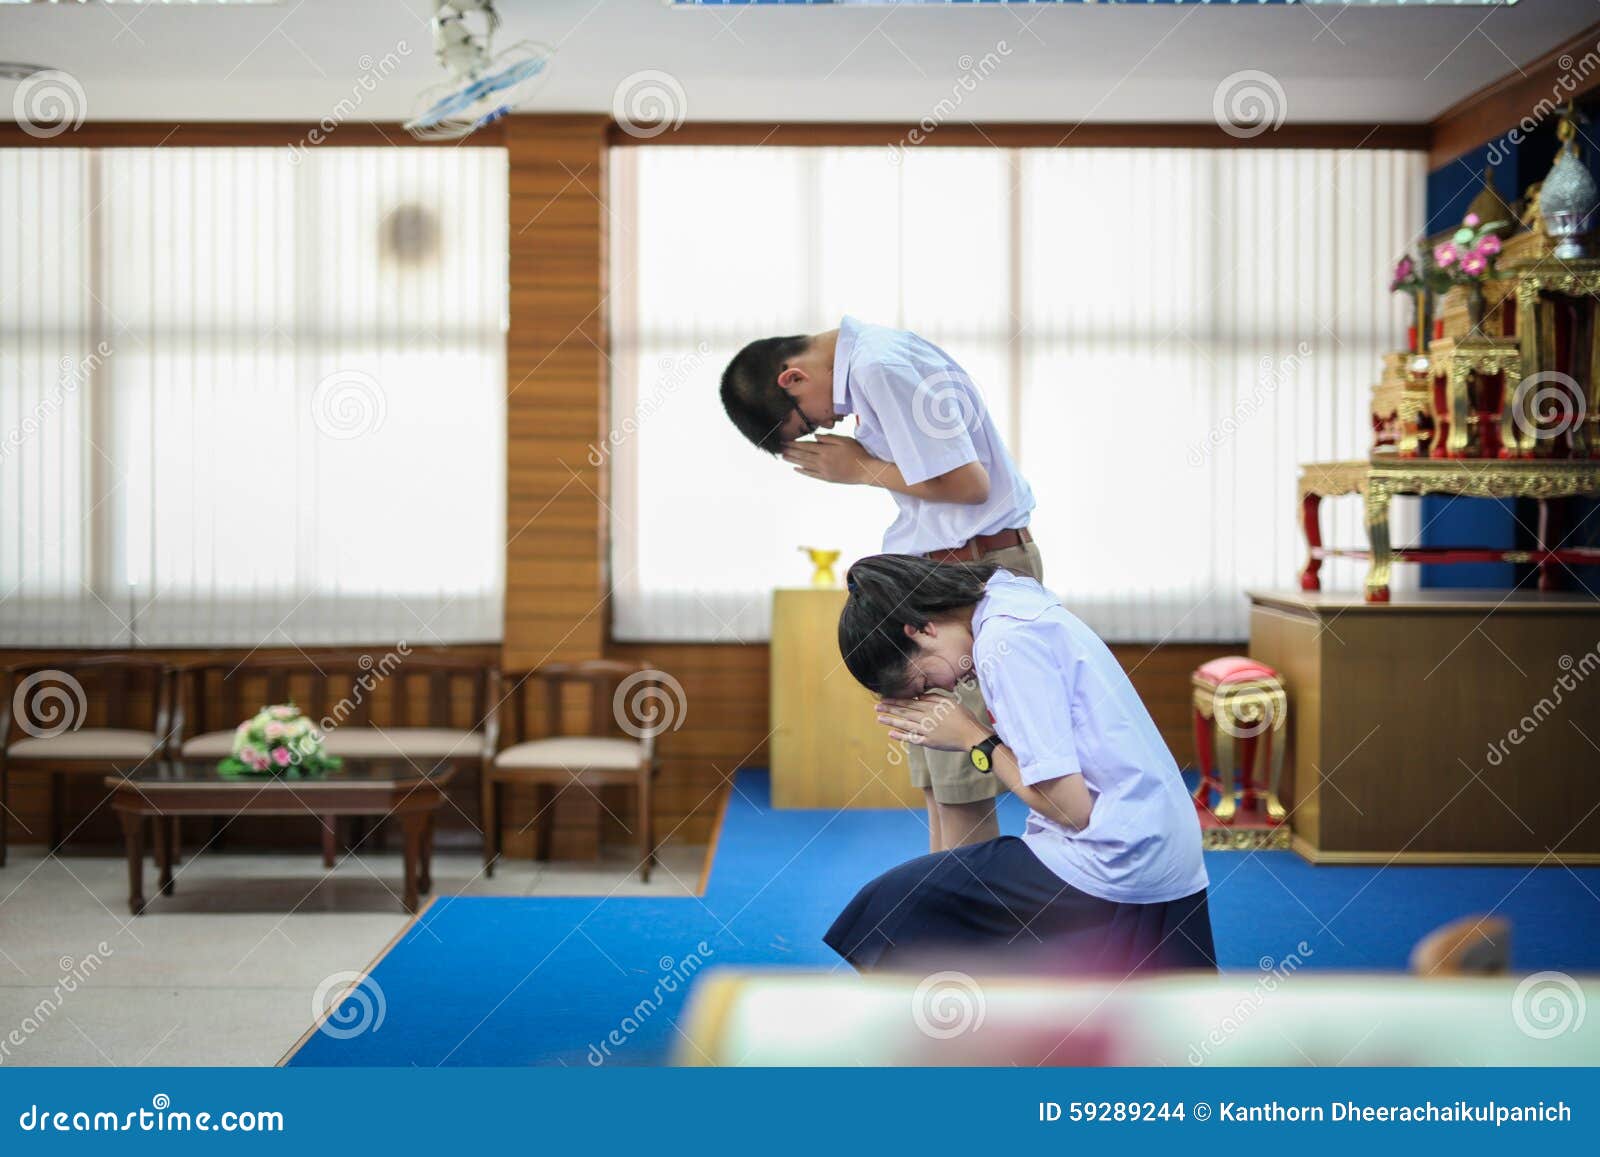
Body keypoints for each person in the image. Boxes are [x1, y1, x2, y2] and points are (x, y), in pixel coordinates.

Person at [721, 317, 1041, 852]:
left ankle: (967, 932)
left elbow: (969, 484)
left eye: (807, 426)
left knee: (962, 785)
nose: (826, 430)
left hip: (973, 574)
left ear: (792, 379)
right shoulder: (873, 363)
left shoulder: (878, 366)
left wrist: (861, 468)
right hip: (940, 574)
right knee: (941, 785)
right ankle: (944, 919)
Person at [823, 553, 1216, 976]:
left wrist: (974, 738)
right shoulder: (1007, 592)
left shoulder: (1005, 645)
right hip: (1157, 841)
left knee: (885, 914)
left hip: (1118, 854)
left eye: (923, 683)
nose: (944, 689)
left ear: (921, 627)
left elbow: (1071, 809)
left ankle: (945, 1036)